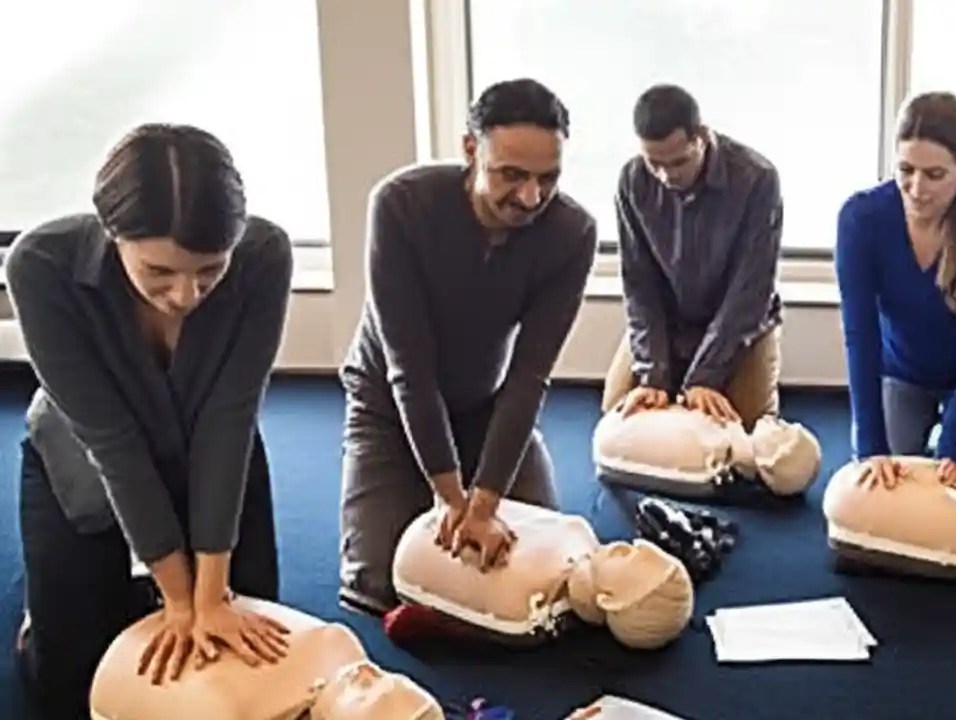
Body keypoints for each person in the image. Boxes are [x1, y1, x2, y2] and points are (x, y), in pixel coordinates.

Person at [7, 123, 294, 719]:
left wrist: (210, 598)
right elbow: (113, 444)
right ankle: (50, 615)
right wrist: (178, 599)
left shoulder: (265, 255)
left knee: (252, 641)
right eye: (160, 272)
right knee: (70, 678)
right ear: (114, 236)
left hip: (210, 441)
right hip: (83, 452)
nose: (187, 295)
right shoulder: (39, 264)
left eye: (209, 270)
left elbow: (230, 415)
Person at [338, 78, 597, 617]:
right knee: (377, 584)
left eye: (547, 178)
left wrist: (485, 500)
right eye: (512, 175)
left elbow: (530, 377)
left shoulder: (572, 232)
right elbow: (408, 370)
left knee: (537, 571)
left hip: (486, 402)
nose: (531, 197)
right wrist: (452, 499)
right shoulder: (400, 205)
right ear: (471, 149)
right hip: (387, 405)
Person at [835, 91, 956, 498]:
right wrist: (871, 445)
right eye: (905, 170)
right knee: (881, 489)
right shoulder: (861, 218)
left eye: (935, 174)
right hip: (904, 371)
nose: (917, 188)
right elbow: (861, 335)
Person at [602, 84, 784, 430]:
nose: (666, 176)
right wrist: (653, 375)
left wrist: (706, 377)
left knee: (744, 425)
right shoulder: (631, 180)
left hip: (742, 324)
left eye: (679, 161)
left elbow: (751, 291)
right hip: (669, 324)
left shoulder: (757, 178)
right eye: (654, 163)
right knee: (620, 415)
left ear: (702, 136)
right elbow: (639, 286)